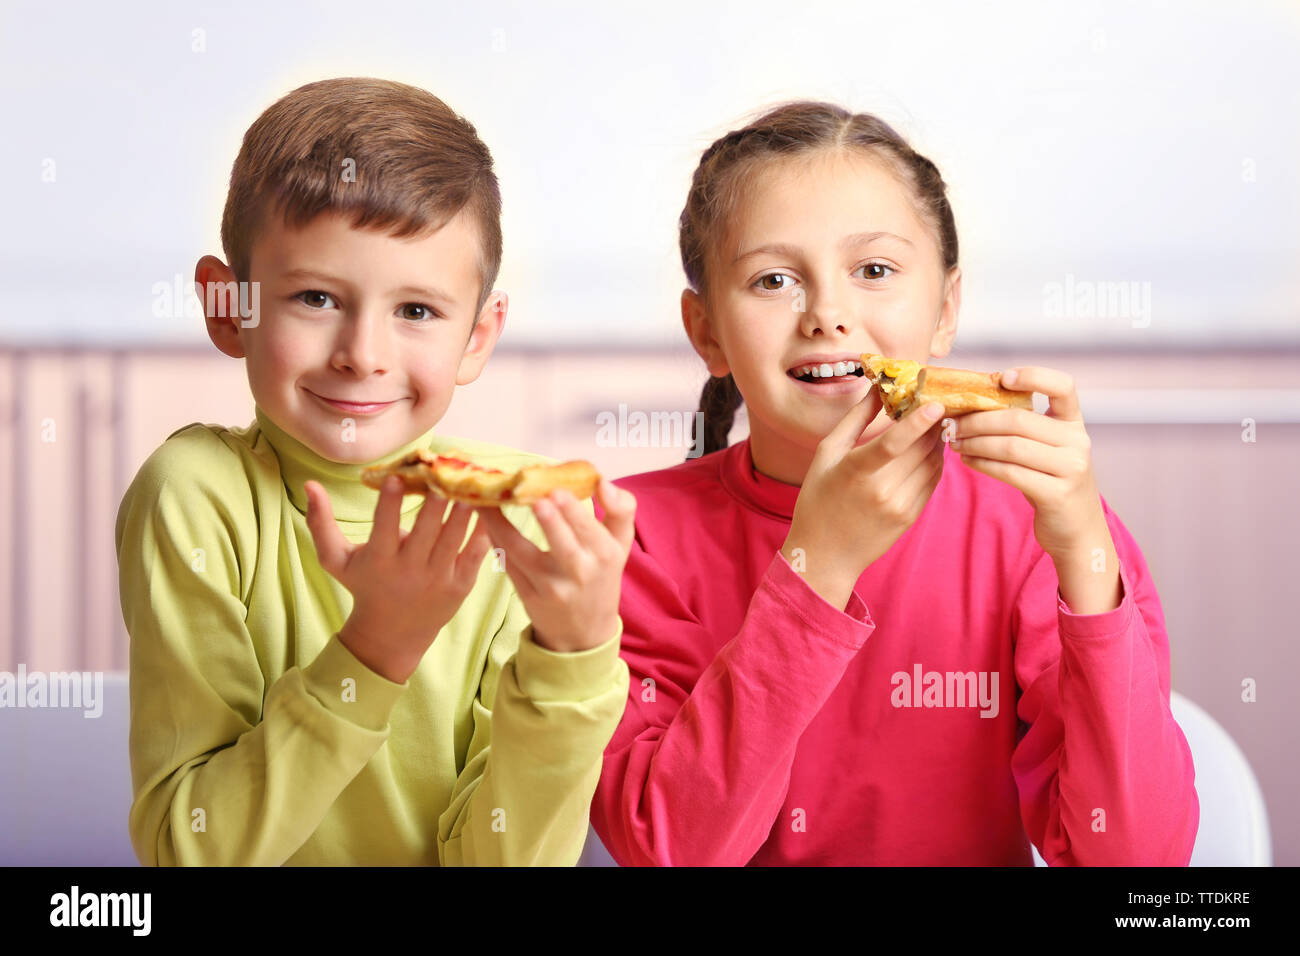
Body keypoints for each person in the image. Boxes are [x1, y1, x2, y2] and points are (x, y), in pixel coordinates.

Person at [590, 101, 1198, 865]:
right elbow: (675, 847)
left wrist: (1084, 553)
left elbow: (1135, 862)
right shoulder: (624, 532)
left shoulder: (1030, 529)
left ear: (945, 310)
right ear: (706, 330)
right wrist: (820, 566)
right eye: (774, 280)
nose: (828, 314)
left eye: (874, 270)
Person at [116, 77, 635, 866]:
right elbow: (190, 850)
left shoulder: (524, 527)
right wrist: (372, 653)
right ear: (230, 309)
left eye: (416, 311)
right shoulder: (195, 496)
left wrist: (578, 658)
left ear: (477, 336)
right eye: (316, 297)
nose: (363, 353)